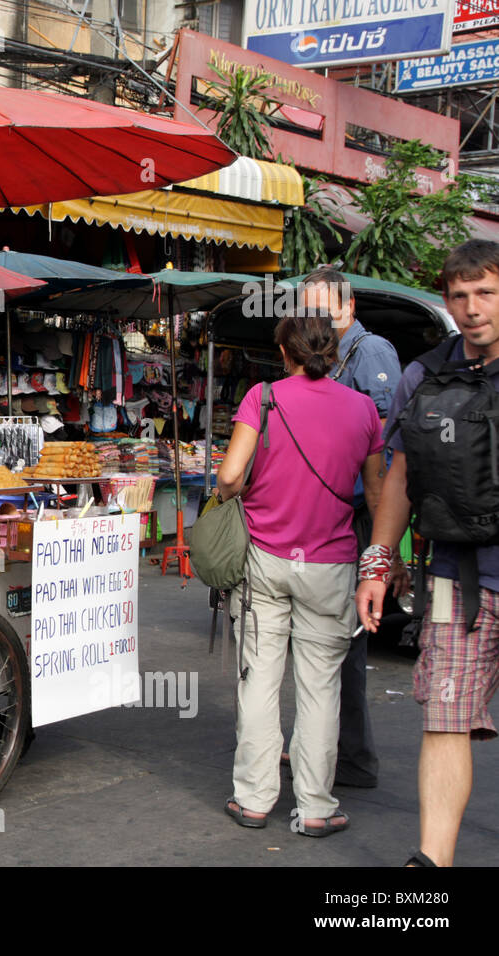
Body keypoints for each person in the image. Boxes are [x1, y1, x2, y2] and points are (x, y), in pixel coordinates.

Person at [356, 239, 499, 866]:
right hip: (455, 576)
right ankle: (431, 867)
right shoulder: (423, 374)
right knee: (445, 716)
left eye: (487, 293)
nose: (473, 309)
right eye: (460, 295)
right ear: (447, 300)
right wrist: (378, 562)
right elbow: (400, 479)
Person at [216, 309, 386, 835]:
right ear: (333, 351)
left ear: (285, 353)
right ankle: (314, 807)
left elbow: (228, 475)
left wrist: (238, 495)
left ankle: (254, 799)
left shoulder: (262, 398)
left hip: (265, 561)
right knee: (320, 688)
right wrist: (384, 560)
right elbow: (379, 495)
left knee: (260, 680)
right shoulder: (363, 410)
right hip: (332, 565)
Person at [286, 267, 406, 789]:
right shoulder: (327, 362)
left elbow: (387, 449)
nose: (318, 321)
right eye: (307, 311)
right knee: (327, 640)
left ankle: (352, 759)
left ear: (348, 308)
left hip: (358, 517)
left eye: (325, 310)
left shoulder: (371, 353)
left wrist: (387, 547)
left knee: (345, 643)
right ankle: (327, 747)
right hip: (328, 515)